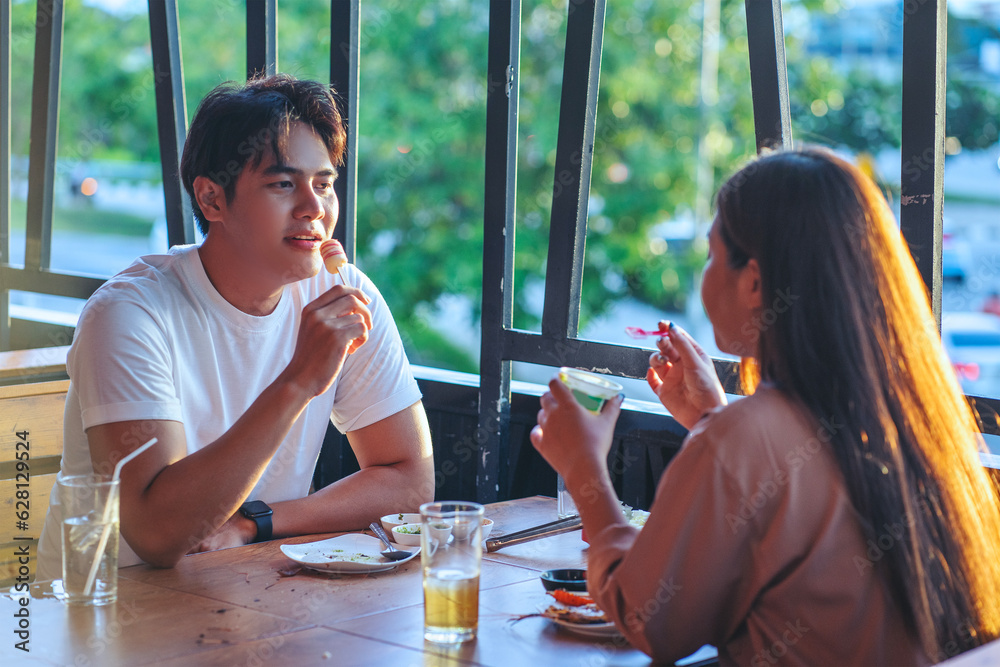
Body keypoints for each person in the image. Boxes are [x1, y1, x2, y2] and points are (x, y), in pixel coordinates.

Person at [530, 146, 1000, 665]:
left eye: (711, 255)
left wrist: (584, 469)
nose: (704, 274)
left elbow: (650, 621)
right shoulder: (910, 417)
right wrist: (714, 420)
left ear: (754, 282)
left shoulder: (746, 437)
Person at [37, 74, 434, 576]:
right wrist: (298, 381)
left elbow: (410, 480)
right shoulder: (129, 314)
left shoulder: (342, 294)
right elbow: (157, 536)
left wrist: (255, 523)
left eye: (325, 184)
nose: (314, 209)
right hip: (103, 617)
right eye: (283, 184)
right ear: (212, 200)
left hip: (242, 594)